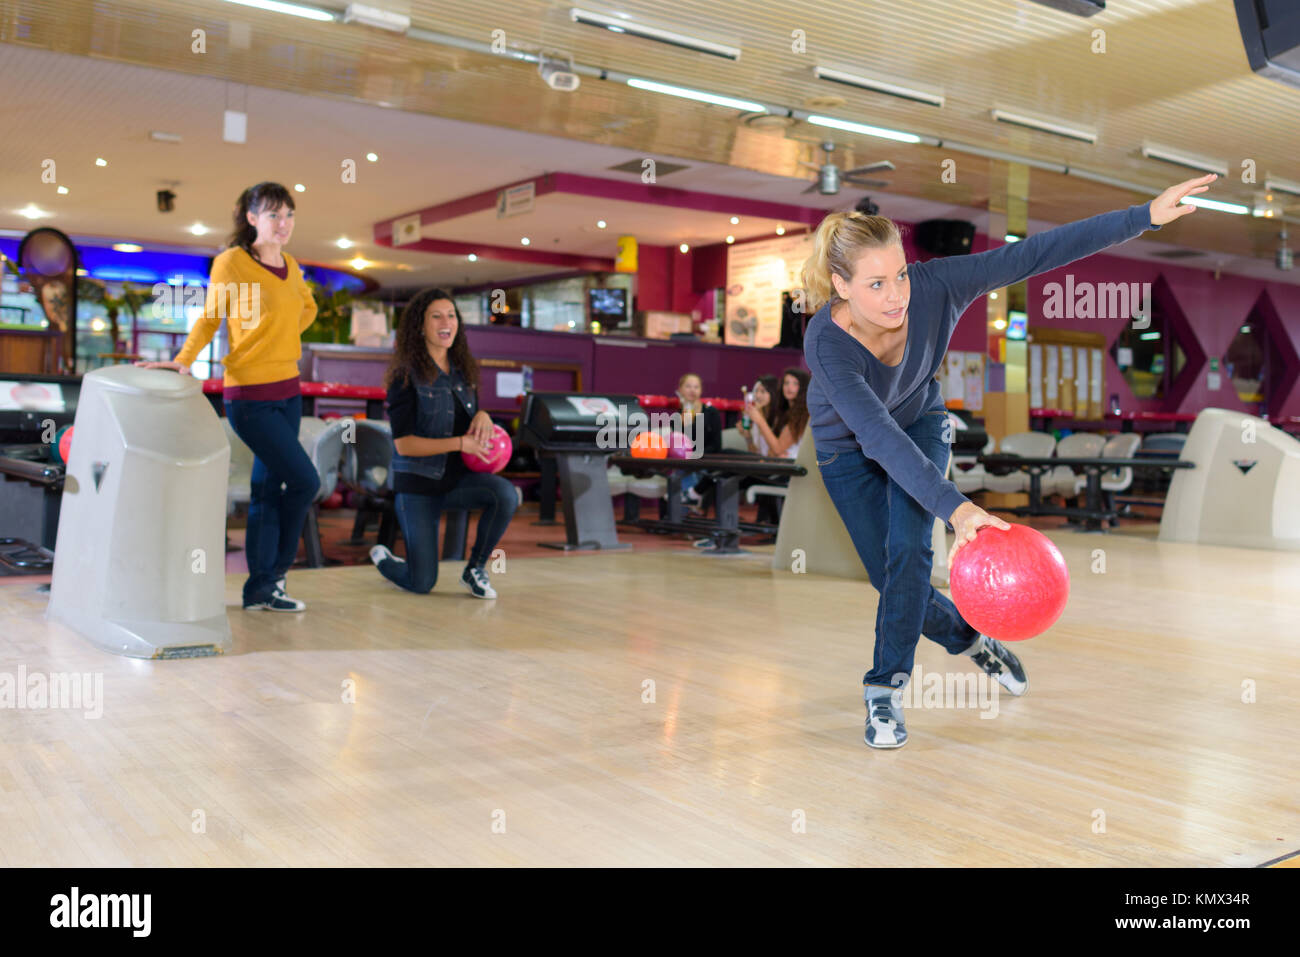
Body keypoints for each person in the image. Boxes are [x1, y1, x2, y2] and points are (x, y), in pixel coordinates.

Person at [803, 173, 1214, 749]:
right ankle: (974, 640)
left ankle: (883, 693)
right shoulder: (825, 342)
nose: (897, 295)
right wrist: (959, 508)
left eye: (899, 274)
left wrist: (1144, 215)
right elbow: (874, 435)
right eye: (876, 284)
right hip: (849, 450)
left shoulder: (939, 284)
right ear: (840, 286)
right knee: (893, 580)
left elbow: (1035, 253)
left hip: (920, 425)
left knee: (909, 557)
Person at [139, 181, 319, 612]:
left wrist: (277, 336)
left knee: (267, 488)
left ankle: (260, 589)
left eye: (289, 214)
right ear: (251, 218)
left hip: (288, 391)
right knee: (305, 481)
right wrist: (185, 359)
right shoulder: (232, 263)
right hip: (250, 396)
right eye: (273, 214)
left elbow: (306, 309)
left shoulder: (292, 266)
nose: (283, 223)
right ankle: (275, 574)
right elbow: (210, 316)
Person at [369, 288, 517, 599]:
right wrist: (461, 443)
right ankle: (385, 561)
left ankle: (475, 568)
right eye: (436, 316)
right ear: (420, 326)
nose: (445, 321)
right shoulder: (404, 377)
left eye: (451, 315)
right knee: (422, 583)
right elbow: (405, 445)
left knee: (505, 494)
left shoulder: (464, 372)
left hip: (454, 482)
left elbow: (469, 421)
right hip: (417, 487)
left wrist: (485, 414)